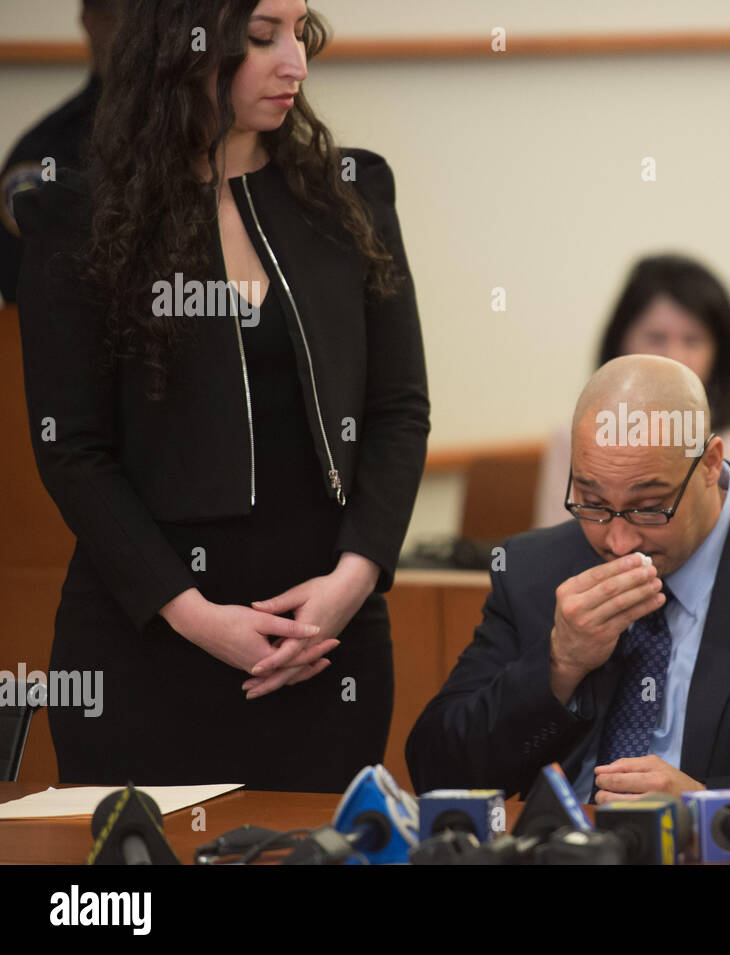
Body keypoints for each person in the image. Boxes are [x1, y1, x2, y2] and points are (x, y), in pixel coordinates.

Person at [16, 0, 430, 792]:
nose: (296, 65)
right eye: (262, 37)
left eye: (299, 34)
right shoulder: (75, 215)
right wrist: (194, 615)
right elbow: (72, 447)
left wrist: (351, 583)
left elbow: (398, 410)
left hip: (323, 644)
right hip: (148, 650)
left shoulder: (351, 196)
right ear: (185, 43)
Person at [409, 355, 730, 801]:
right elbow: (438, 771)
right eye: (593, 503)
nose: (619, 543)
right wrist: (559, 663)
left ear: (711, 463)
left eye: (650, 508)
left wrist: (709, 804)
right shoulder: (535, 569)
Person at [533, 254, 730, 527]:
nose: (673, 357)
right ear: (620, 342)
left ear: (719, 354)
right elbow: (560, 547)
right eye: (656, 338)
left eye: (692, 341)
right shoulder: (575, 436)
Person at [0, 0, 121, 303]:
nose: (131, 35)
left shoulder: (201, 136)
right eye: (119, 15)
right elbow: (22, 287)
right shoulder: (46, 150)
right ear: (90, 22)